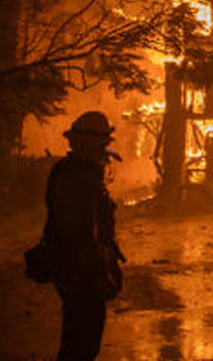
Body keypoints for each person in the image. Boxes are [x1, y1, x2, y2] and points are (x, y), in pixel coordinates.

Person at [46, 110, 125, 361]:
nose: (105, 150)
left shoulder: (72, 172)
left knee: (79, 343)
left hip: (73, 271)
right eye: (102, 143)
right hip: (81, 274)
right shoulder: (80, 178)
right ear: (91, 144)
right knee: (81, 346)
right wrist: (99, 274)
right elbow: (81, 233)